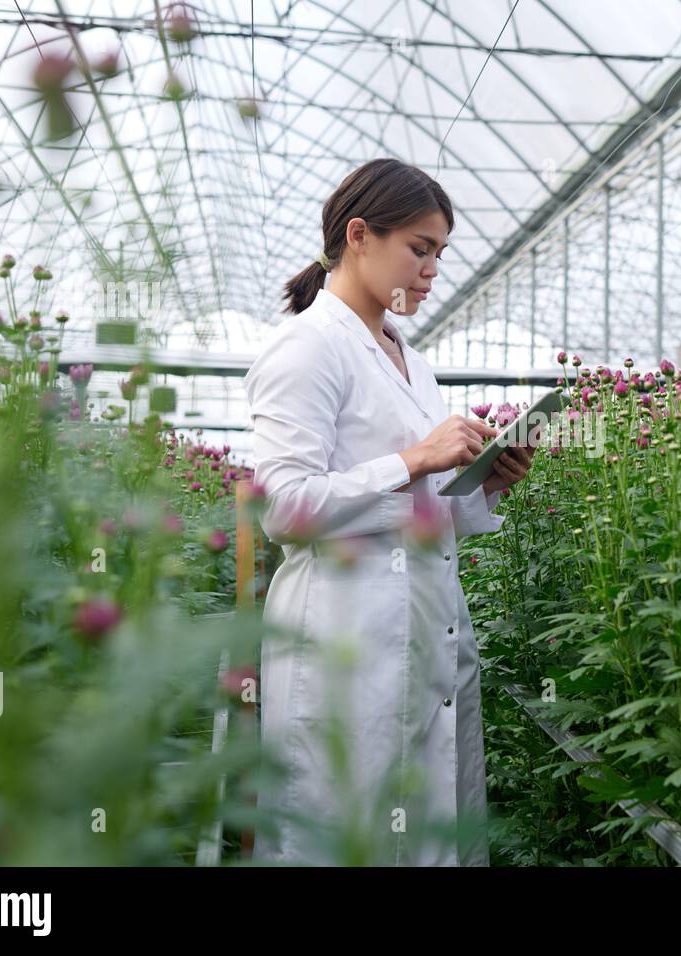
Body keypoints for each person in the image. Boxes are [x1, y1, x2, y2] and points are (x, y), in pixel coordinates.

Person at [243, 158, 538, 865]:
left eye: (439, 253)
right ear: (359, 236)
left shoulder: (412, 359)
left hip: (424, 633)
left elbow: (425, 512)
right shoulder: (307, 348)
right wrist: (414, 460)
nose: (433, 269)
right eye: (420, 247)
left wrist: (487, 482)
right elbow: (284, 508)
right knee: (344, 833)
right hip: (345, 642)